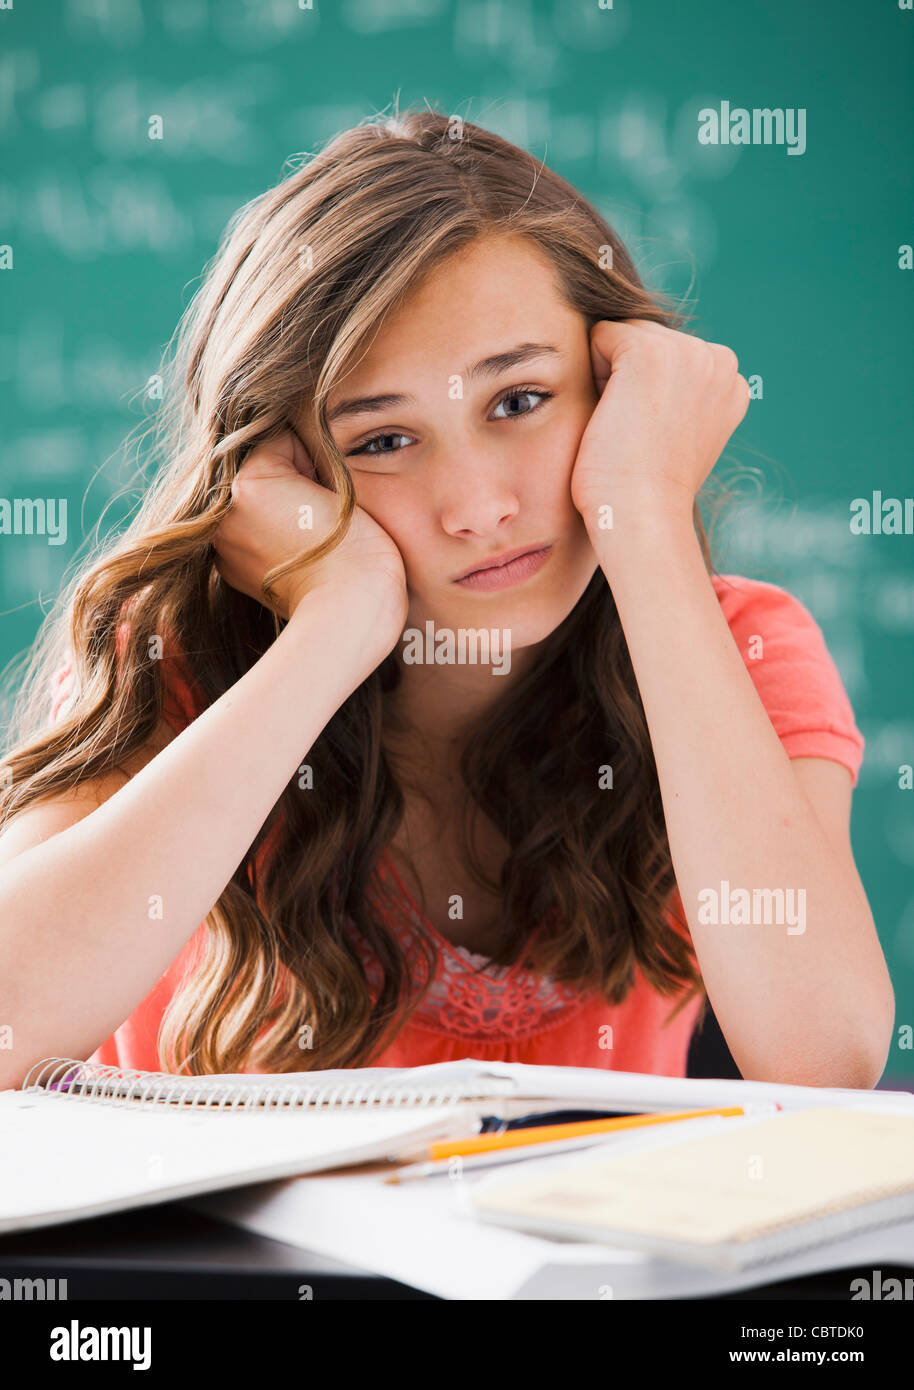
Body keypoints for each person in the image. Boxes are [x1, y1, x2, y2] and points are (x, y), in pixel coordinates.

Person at [0, 108, 892, 1089]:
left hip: (583, 1238)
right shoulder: (175, 659)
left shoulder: (738, 642)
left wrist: (642, 513)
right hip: (224, 1246)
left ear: (612, 388)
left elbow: (824, 1061)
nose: (478, 507)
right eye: (381, 441)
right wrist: (335, 624)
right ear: (283, 469)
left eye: (518, 402)